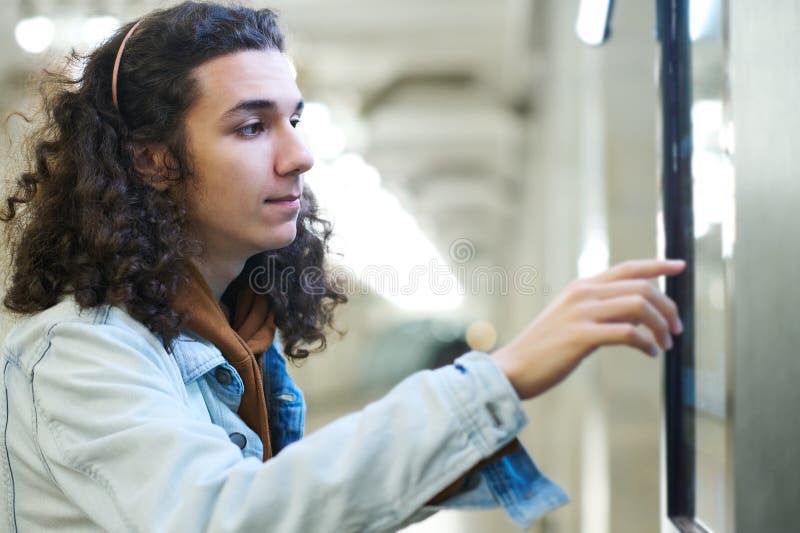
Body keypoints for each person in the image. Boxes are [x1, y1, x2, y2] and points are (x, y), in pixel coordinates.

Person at [0, 2, 685, 532]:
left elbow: (299, 496)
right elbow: (231, 515)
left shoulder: (231, 339)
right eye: (251, 126)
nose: (298, 154)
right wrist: (495, 379)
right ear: (153, 159)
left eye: (293, 119)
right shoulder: (77, 354)